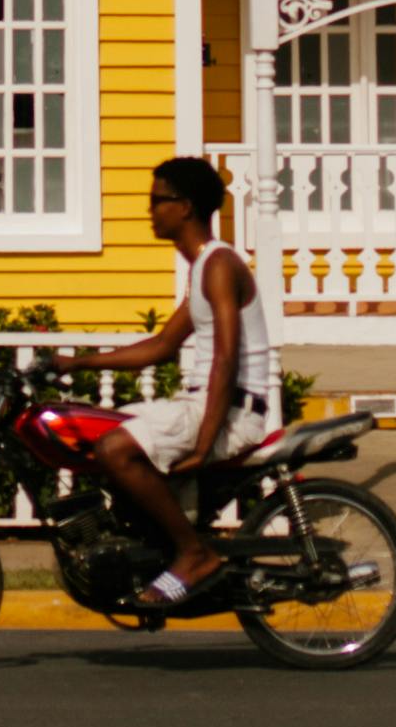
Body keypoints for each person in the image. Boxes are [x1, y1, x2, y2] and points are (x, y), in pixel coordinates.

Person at [74, 153, 282, 616]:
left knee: (114, 450)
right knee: (102, 432)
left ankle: (193, 553)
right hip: (206, 404)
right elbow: (163, 346)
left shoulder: (220, 265)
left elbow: (226, 357)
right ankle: (155, 547)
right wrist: (76, 363)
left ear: (184, 207)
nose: (150, 211)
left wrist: (205, 443)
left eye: (157, 201)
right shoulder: (204, 269)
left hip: (231, 412)